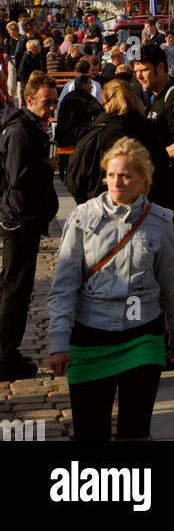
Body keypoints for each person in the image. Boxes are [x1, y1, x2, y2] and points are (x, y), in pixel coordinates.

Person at [47, 137, 174, 441]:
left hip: (142, 337)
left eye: (125, 175)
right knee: (90, 431)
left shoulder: (160, 221)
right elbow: (64, 284)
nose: (116, 182)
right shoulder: (83, 218)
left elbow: (171, 283)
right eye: (111, 174)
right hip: (90, 336)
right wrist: (59, 340)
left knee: (135, 432)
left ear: (142, 178)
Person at [0, 71, 59, 378]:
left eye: (54, 102)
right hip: (19, 218)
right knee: (15, 290)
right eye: (47, 102)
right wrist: (46, 167)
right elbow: (17, 176)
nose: (52, 107)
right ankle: (5, 357)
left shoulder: (31, 126)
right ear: (30, 100)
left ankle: (7, 350)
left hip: (25, 216)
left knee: (15, 288)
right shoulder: (21, 130)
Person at [134, 44, 174, 294]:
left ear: (161, 67)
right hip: (164, 191)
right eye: (137, 70)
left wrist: (150, 156)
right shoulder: (155, 97)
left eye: (145, 70)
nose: (139, 76)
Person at [67, 78, 172, 207]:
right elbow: (163, 171)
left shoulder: (94, 135)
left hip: (100, 208)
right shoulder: (151, 132)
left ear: (105, 102)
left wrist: (87, 205)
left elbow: (75, 179)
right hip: (144, 208)